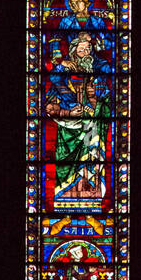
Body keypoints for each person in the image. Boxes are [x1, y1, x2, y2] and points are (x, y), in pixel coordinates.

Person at [45, 32, 112, 204]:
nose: (86, 53)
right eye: (82, 50)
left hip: (91, 129)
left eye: (89, 49)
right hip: (67, 132)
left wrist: (94, 104)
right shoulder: (61, 79)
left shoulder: (97, 76)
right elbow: (49, 107)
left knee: (91, 164)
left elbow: (105, 102)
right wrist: (68, 114)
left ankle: (93, 204)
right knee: (66, 169)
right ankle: (64, 206)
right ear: (74, 53)